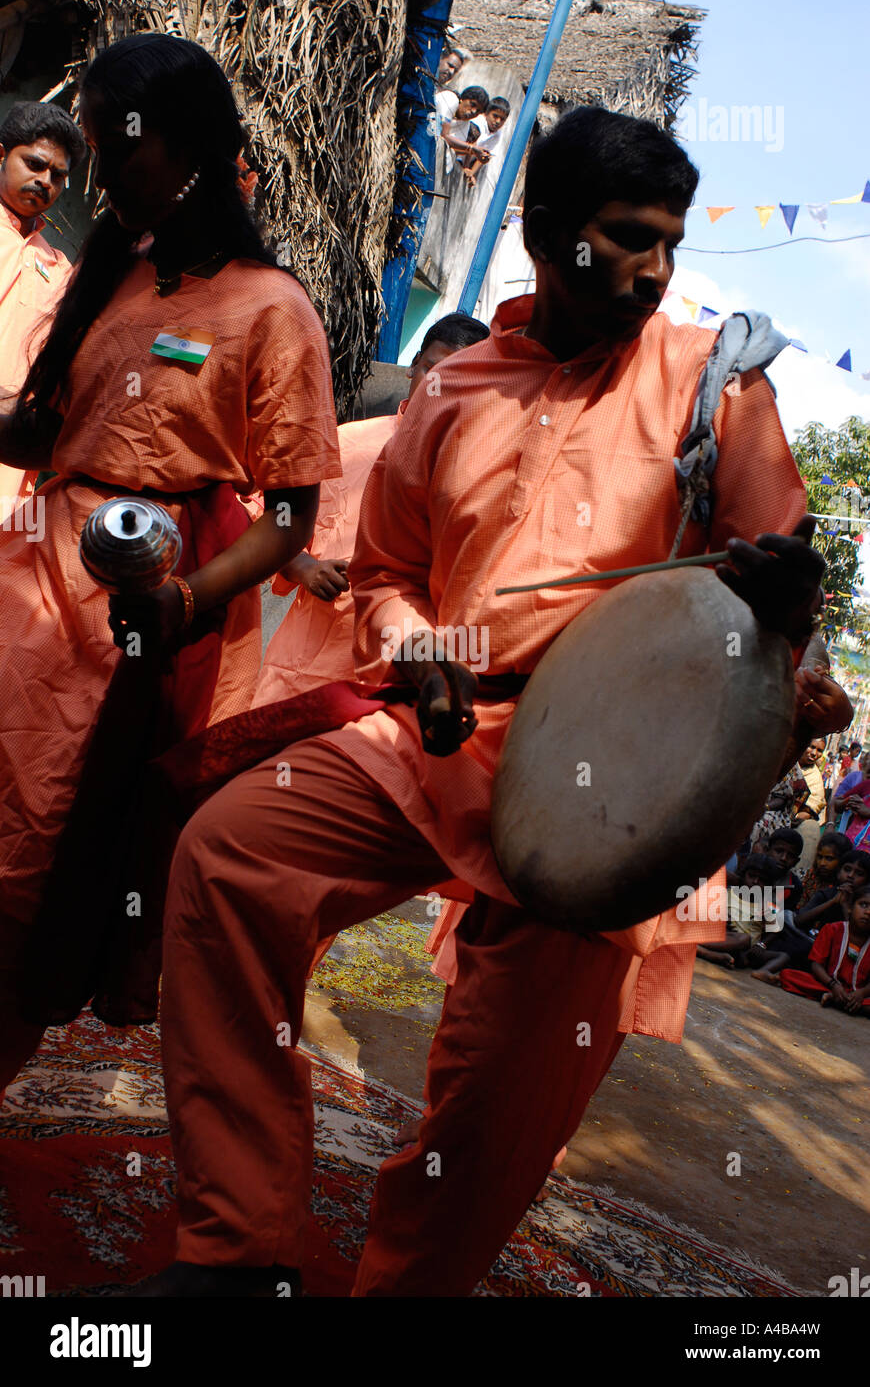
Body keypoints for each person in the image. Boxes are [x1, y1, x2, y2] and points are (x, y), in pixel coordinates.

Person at [139, 106, 833, 1300]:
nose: (656, 269)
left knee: (501, 1105)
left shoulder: (717, 382)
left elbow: (779, 575)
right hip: (437, 738)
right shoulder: (454, 384)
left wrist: (784, 587)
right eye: (627, 237)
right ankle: (239, 1250)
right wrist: (416, 647)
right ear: (550, 233)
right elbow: (389, 576)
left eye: (668, 241)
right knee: (229, 857)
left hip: (612, 782)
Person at [0, 34, 340, 1089]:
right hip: (26, 591)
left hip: (136, 628)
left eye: (123, 151)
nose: (104, 179)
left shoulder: (270, 308)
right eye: (97, 151)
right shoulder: (116, 275)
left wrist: (188, 597)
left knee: (40, 877)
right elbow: (51, 435)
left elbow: (289, 518)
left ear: (195, 145)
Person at [253, 311, 490, 705]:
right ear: (413, 366)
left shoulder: (481, 475)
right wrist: (304, 567)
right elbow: (263, 513)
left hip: (398, 680)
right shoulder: (345, 445)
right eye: (431, 370)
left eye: (459, 379)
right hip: (301, 667)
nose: (440, 388)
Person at [0, 101, 85, 503]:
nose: (44, 180)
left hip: (9, 463)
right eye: (34, 164)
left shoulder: (59, 267)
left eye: (58, 175)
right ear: (1, 156)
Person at [753, 848, 870, 984]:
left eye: (859, 873)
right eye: (847, 869)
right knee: (790, 938)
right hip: (813, 943)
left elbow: (853, 935)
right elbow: (798, 921)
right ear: (839, 872)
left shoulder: (865, 904)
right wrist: (832, 902)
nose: (850, 876)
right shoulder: (827, 894)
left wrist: (845, 906)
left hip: (841, 953)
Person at [779, 888, 870, 1013]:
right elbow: (816, 965)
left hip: (860, 994)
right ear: (850, 907)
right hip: (829, 984)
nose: (868, 912)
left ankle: (838, 1001)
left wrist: (861, 993)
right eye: (863, 905)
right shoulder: (832, 929)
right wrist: (833, 985)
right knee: (789, 975)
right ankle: (843, 1001)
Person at [695, 853, 782, 969]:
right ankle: (703, 950)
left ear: (769, 885)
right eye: (751, 876)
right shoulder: (728, 894)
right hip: (720, 937)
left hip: (743, 948)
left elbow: (775, 930)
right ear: (743, 874)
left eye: (762, 880)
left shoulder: (768, 905)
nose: (755, 881)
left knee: (745, 941)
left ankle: (698, 949)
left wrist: (762, 945)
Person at [791, 736, 827, 872]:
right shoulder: (786, 759)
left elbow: (814, 805)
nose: (814, 753)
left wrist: (796, 818)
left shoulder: (815, 778)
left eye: (819, 750)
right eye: (811, 747)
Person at [463, 97, 511, 189]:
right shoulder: (478, 122)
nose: (497, 122)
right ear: (486, 113)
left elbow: (484, 156)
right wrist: (466, 167)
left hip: (467, 163)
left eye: (502, 119)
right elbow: (471, 144)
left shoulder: (497, 134)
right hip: (459, 157)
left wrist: (471, 173)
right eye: (495, 116)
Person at [440, 86, 490, 175]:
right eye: (472, 104)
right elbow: (444, 135)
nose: (473, 111)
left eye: (478, 111)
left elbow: (452, 147)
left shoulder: (465, 125)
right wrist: (472, 148)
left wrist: (477, 154)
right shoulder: (450, 99)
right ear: (463, 99)